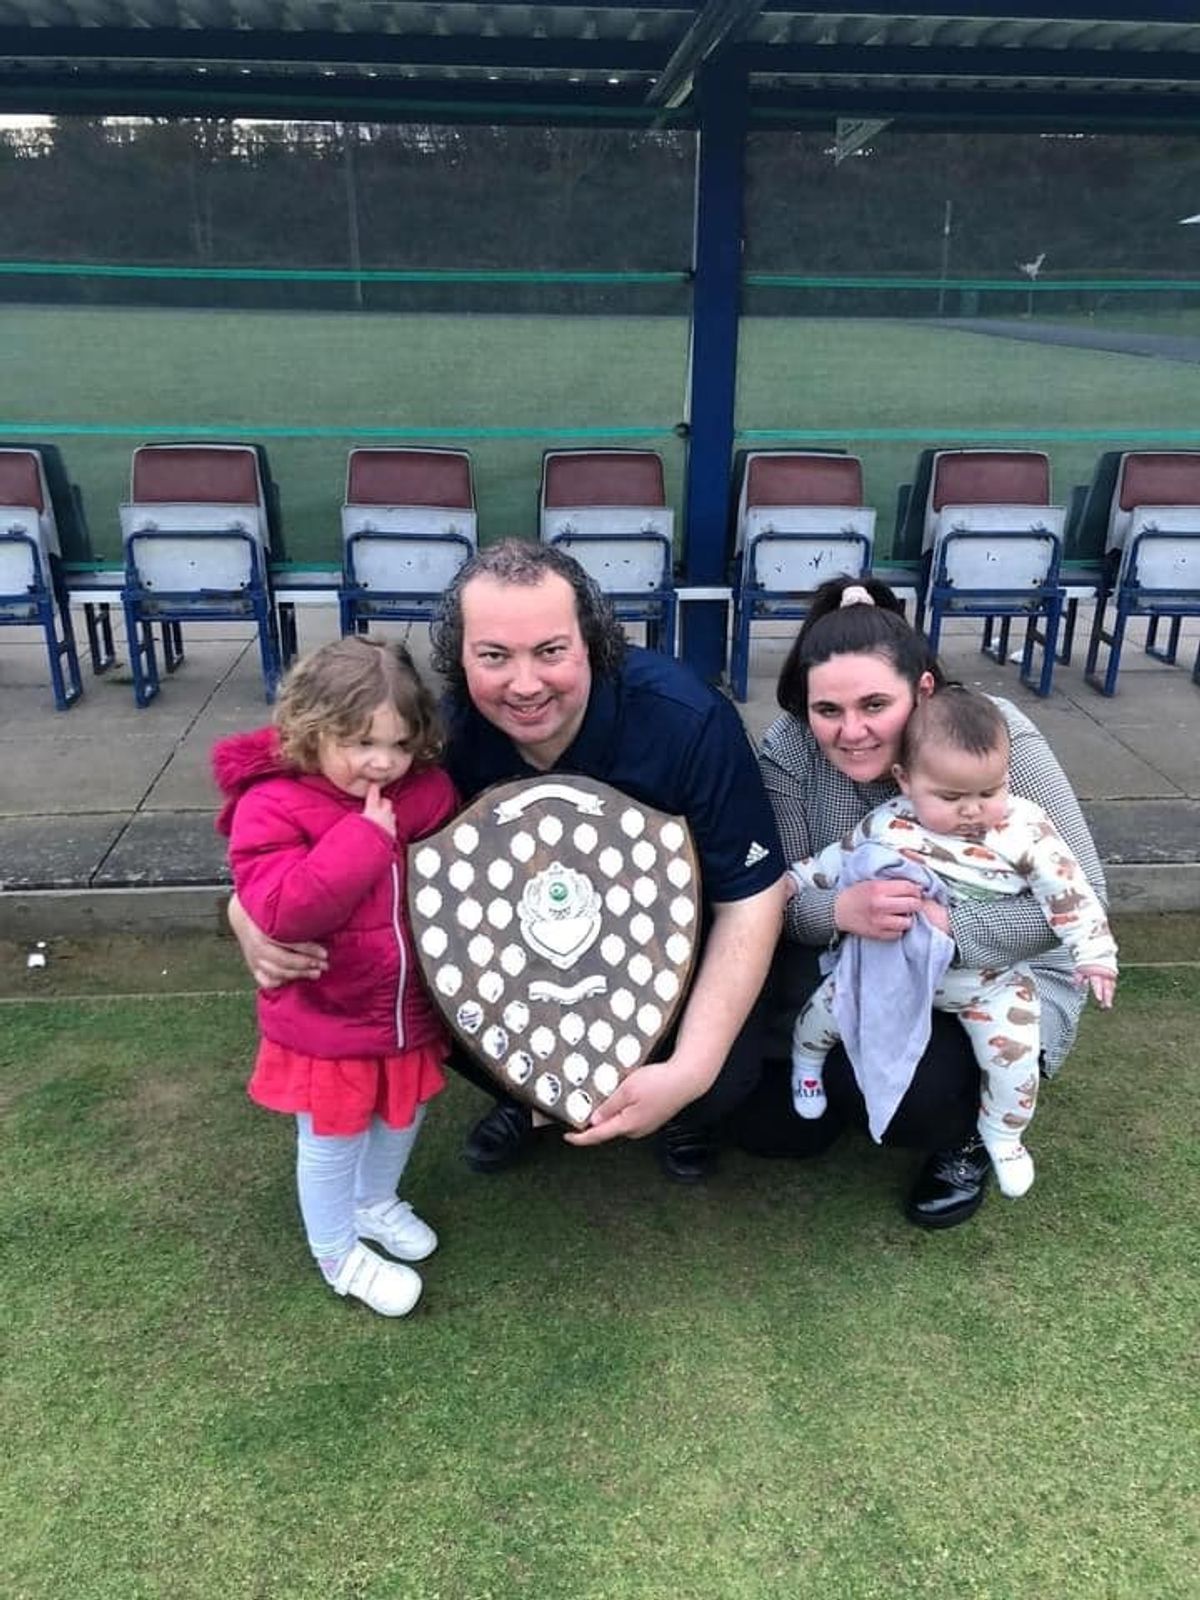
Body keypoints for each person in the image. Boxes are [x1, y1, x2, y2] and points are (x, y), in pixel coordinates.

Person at [229, 541, 787, 1184]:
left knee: (724, 1076)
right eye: (494, 656)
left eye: (550, 651)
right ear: (460, 656)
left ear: (592, 642)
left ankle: (680, 1109)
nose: (524, 685)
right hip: (525, 959)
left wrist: (691, 1070)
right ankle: (523, 1098)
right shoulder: (440, 738)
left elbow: (752, 897)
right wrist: (247, 912)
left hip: (669, 956)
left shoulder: (687, 720)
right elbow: (306, 809)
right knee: (431, 996)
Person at [732, 574, 1110, 1228]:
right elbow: (784, 894)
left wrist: (948, 928)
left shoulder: (997, 735)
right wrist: (841, 912)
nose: (851, 731)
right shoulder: (789, 751)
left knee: (917, 1101)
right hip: (859, 955)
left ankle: (968, 1136)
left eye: (876, 705)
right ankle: (830, 1082)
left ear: (923, 689)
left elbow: (1082, 899)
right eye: (829, 711)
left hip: (997, 971)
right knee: (769, 1127)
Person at [787, 675, 1118, 1198]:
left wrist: (1095, 955)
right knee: (825, 1011)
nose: (972, 810)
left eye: (990, 791)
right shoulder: (889, 824)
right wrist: (795, 882)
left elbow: (1071, 893)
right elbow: (831, 862)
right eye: (951, 796)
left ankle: (1001, 1134)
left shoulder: (1023, 829)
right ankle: (805, 1067)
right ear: (905, 781)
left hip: (987, 980)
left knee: (1013, 1055)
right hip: (889, 967)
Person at [212, 636, 458, 1316]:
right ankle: (337, 1252)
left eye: (401, 744)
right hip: (327, 1018)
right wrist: (365, 839)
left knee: (403, 1115)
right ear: (309, 729)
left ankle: (374, 1202)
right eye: (359, 742)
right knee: (331, 1138)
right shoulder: (271, 805)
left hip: (405, 1011)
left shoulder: (426, 792)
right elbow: (284, 912)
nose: (383, 762)